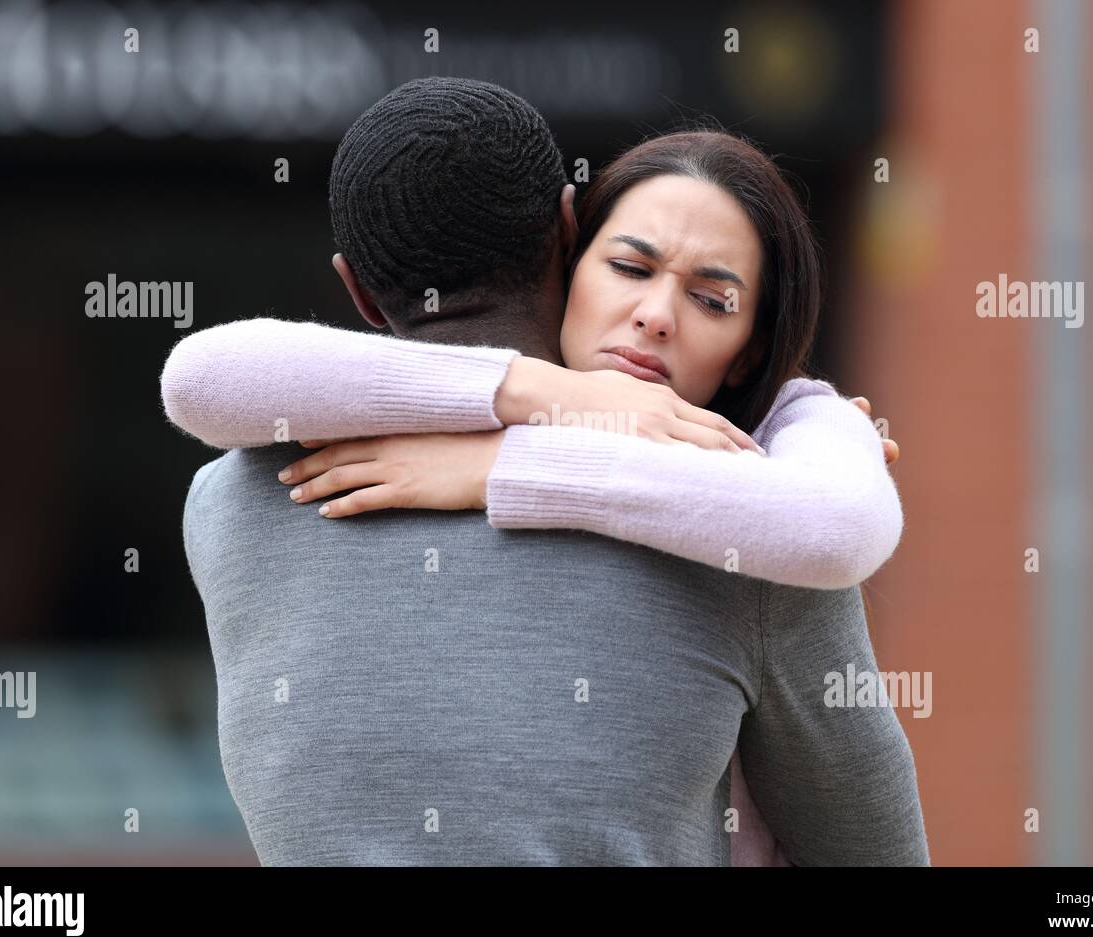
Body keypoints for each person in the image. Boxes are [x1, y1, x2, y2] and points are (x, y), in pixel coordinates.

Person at [166, 76, 929, 865]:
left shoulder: (226, 506)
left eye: (711, 299)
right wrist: (557, 399)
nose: (655, 316)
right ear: (570, 237)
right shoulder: (746, 526)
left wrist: (510, 457)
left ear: (356, 291)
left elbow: (201, 376)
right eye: (632, 268)